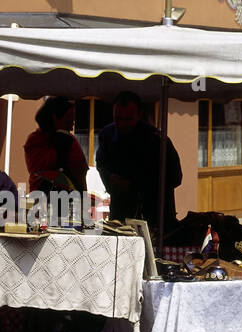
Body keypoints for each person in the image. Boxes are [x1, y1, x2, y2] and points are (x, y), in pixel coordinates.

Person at [95, 91, 182, 234]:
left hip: (155, 216)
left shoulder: (157, 140)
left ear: (140, 115)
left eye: (128, 119)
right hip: (121, 213)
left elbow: (175, 177)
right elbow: (101, 164)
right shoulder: (106, 135)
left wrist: (134, 185)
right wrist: (110, 177)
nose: (122, 124)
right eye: (117, 118)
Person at [24, 97, 89, 224]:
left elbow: (80, 173)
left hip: (70, 203)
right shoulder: (36, 140)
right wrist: (60, 140)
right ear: (55, 118)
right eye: (69, 118)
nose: (73, 123)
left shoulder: (71, 140)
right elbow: (39, 168)